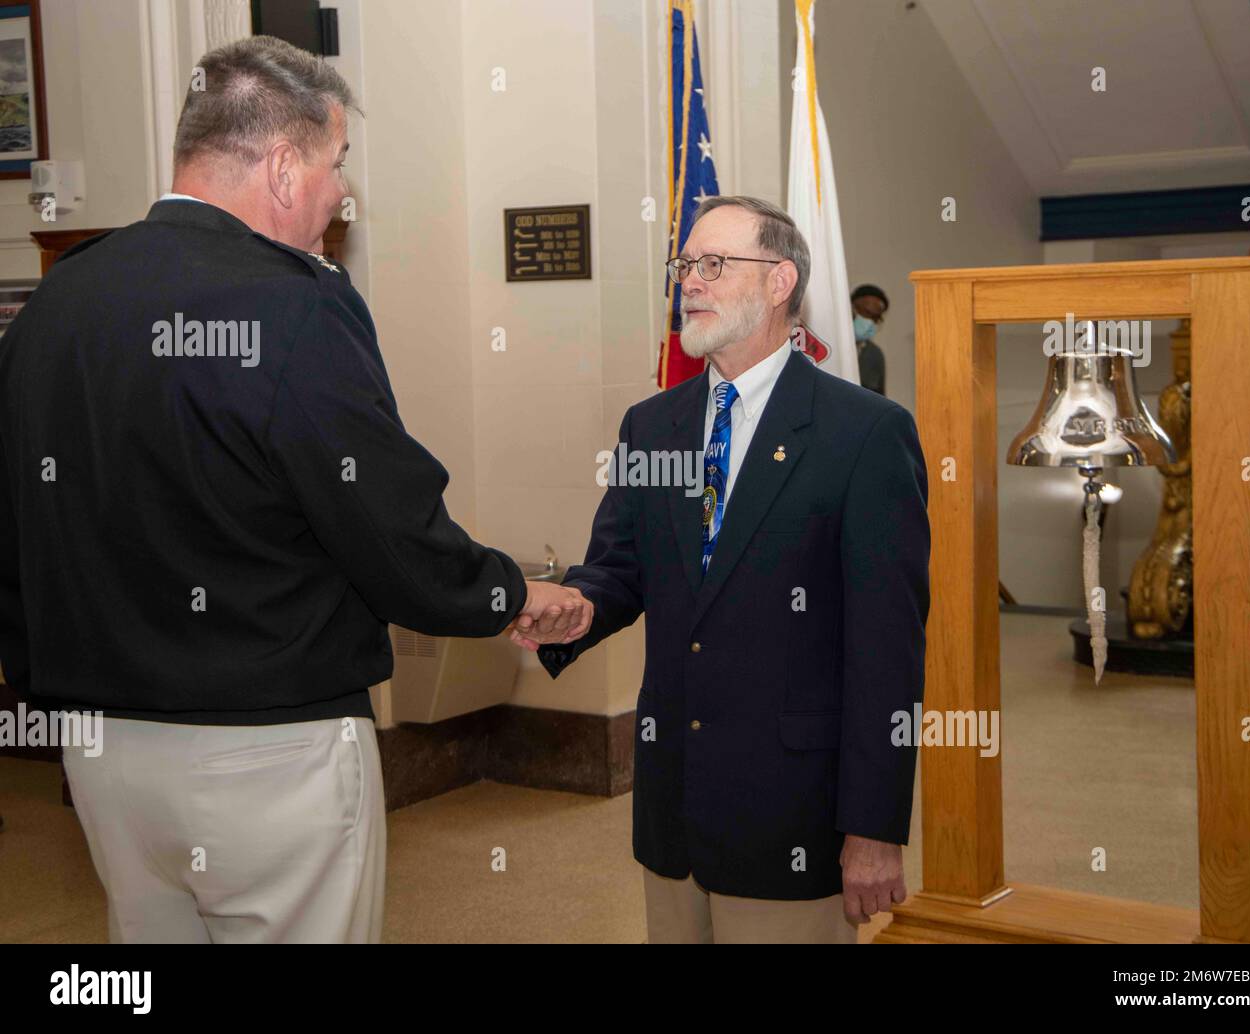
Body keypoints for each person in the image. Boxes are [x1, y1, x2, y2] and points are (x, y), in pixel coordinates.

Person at [0, 36, 589, 944]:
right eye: (336, 163)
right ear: (282, 166)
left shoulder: (58, 303)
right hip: (269, 753)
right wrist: (504, 592)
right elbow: (384, 521)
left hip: (102, 754)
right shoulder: (297, 304)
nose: (341, 193)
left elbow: (15, 527)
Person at [511, 196, 929, 943]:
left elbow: (886, 651)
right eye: (684, 267)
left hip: (791, 818)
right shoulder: (653, 424)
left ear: (779, 282)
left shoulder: (865, 432)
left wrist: (873, 828)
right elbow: (620, 567)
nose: (689, 284)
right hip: (672, 810)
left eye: (712, 265)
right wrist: (572, 607)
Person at [851, 283, 888, 395]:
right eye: (867, 313)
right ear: (851, 309)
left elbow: (880, 400)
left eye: (876, 318)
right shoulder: (826, 345)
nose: (870, 322)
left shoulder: (875, 354)